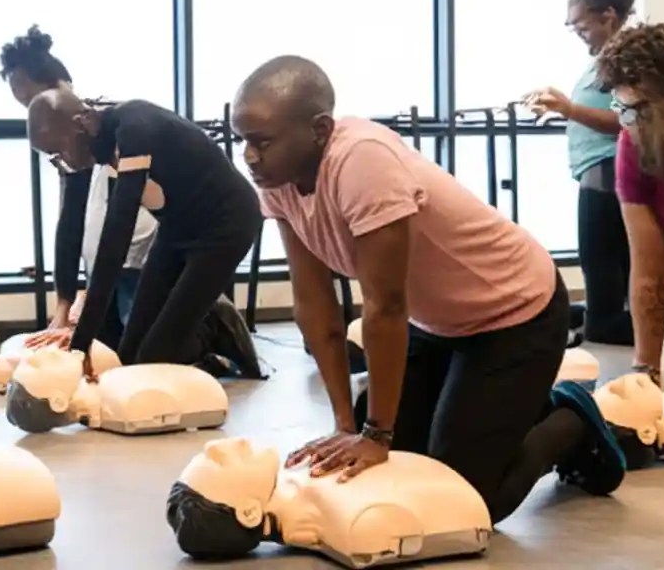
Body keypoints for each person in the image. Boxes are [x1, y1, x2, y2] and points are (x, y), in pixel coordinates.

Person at [231, 55, 625, 525]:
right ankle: (507, 409)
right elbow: (315, 307)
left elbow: (385, 306)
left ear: (319, 129)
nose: (249, 156)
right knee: (400, 464)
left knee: (463, 498)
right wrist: (345, 426)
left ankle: (572, 421)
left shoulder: (361, 161)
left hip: (515, 311)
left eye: (262, 142)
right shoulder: (278, 178)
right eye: (243, 142)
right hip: (436, 321)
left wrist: (375, 434)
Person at [22, 90, 264, 378]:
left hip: (226, 225)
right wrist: (78, 335)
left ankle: (216, 332)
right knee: (129, 351)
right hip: (178, 226)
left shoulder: (133, 129)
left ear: (78, 125)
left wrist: (80, 343)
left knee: (154, 356)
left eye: (58, 152)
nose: (62, 162)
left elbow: (116, 239)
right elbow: (76, 233)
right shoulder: (96, 150)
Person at [0, 26, 157, 344]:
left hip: (142, 264)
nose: (33, 114)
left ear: (59, 88)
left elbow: (121, 224)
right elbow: (70, 224)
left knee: (136, 345)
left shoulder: (101, 127)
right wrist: (63, 307)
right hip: (106, 271)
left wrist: (84, 297)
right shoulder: (65, 141)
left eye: (33, 101)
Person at [523, 0, 638, 345]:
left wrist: (568, 108)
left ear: (608, 15)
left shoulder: (626, 57)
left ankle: (614, 325)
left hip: (610, 175)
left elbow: (624, 121)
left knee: (602, 263)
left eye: (582, 26)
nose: (578, 34)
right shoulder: (602, 59)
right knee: (603, 266)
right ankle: (598, 318)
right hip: (597, 174)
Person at [595, 22, 664, 391]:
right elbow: (649, 272)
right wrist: (646, 369)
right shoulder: (636, 146)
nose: (630, 125)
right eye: (622, 110)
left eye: (640, 110)